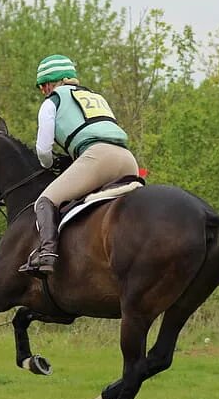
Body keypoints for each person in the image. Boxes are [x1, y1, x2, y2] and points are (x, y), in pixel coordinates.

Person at [19, 54, 140, 277]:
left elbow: (43, 151)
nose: (43, 92)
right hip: (128, 160)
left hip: (98, 158)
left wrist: (52, 163)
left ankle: (47, 253)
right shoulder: (95, 96)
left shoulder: (52, 102)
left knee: (45, 201)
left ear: (50, 83)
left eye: (43, 86)